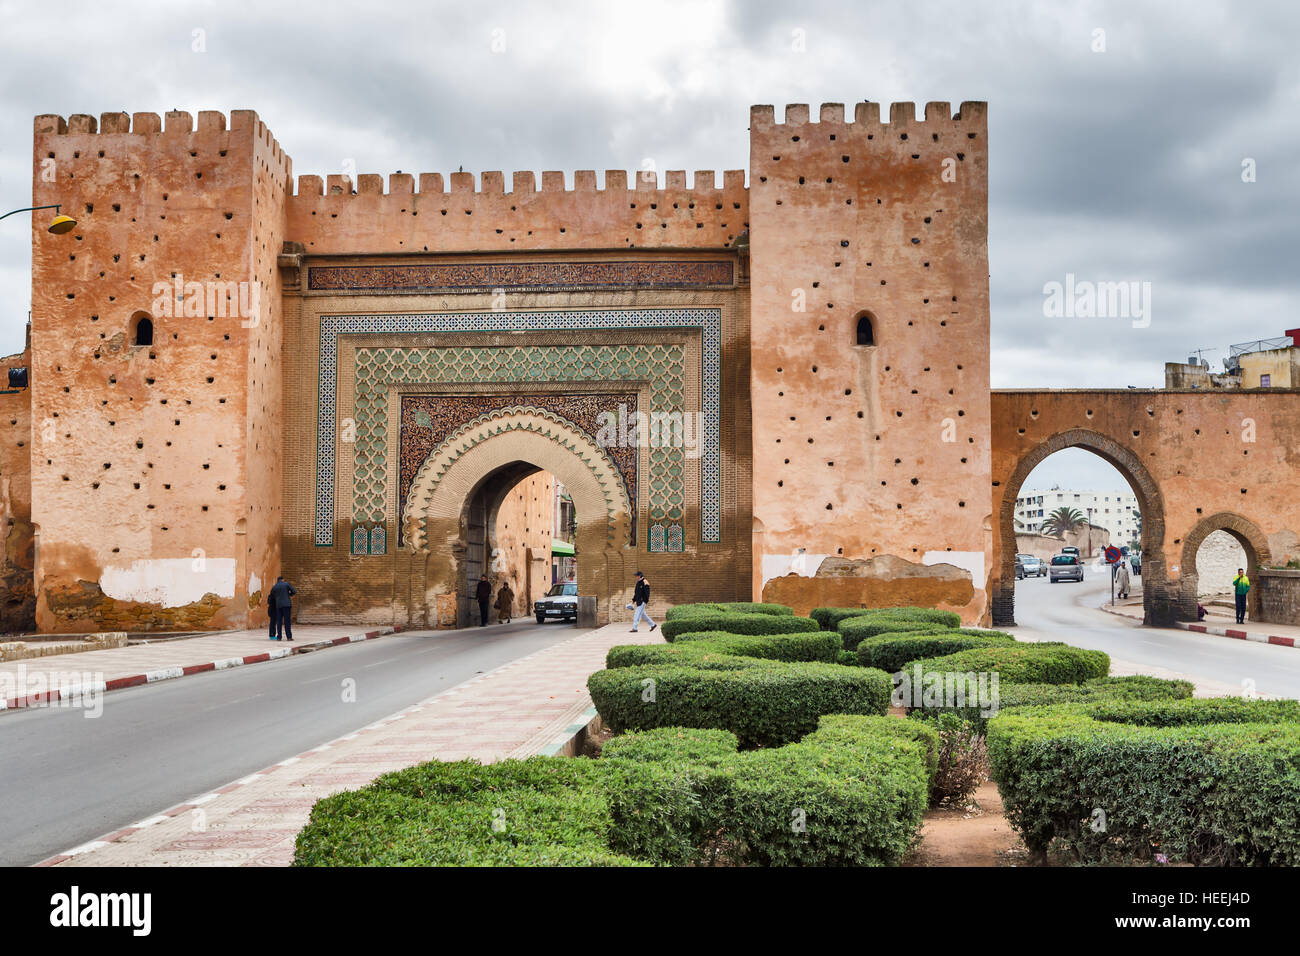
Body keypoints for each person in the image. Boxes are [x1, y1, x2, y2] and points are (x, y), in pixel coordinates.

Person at [267, 576, 296, 642]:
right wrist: (288, 595)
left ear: (277, 580)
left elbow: (272, 597)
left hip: (278, 606)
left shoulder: (274, 587)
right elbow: (294, 591)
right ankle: (289, 637)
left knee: (279, 622)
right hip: (286, 605)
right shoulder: (286, 584)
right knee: (287, 621)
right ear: (283, 580)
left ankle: (279, 637)